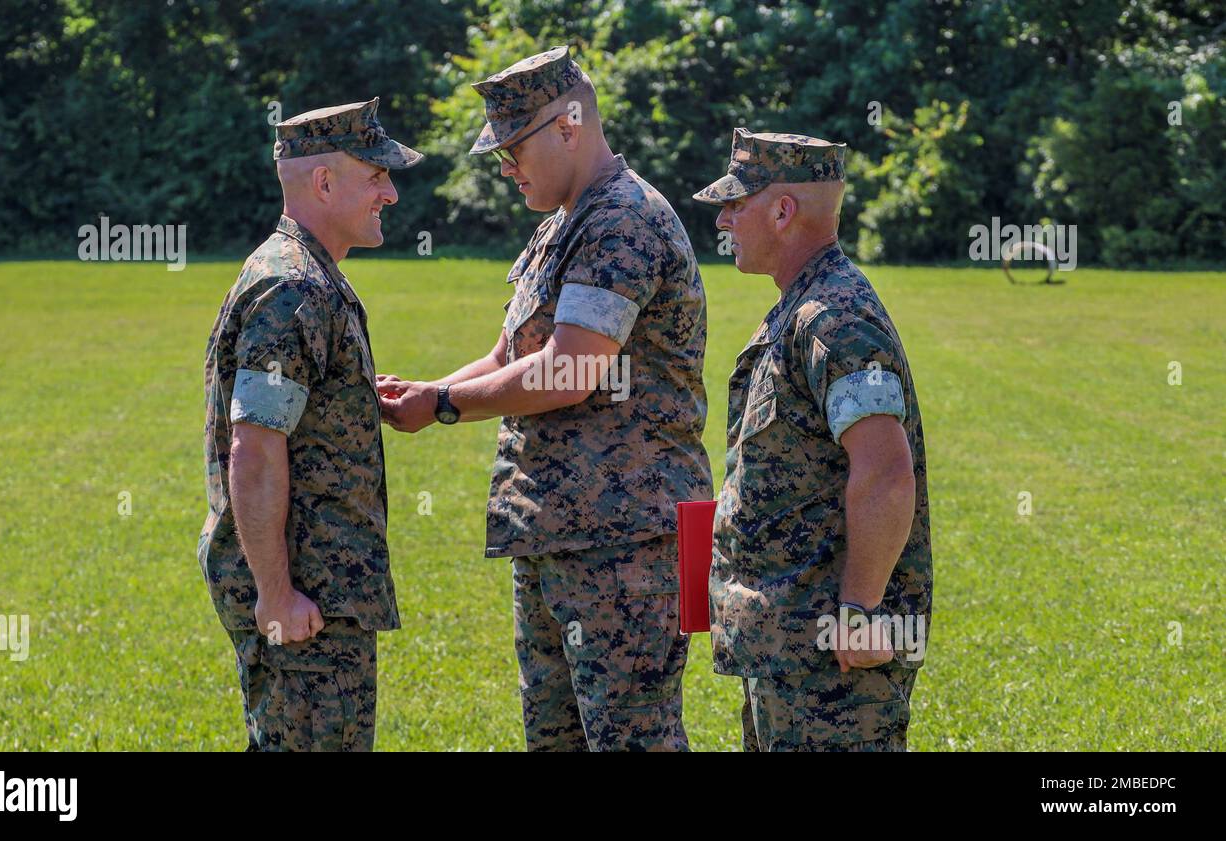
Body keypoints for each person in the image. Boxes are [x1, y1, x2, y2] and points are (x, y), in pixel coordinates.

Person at [380, 47, 711, 751]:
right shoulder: (562, 224)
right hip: (559, 532)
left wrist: (442, 405)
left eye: (513, 148)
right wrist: (429, 391)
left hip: (626, 541)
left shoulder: (622, 220)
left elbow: (569, 369)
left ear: (568, 126)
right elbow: (510, 357)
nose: (505, 166)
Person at [693, 128, 933, 751]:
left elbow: (886, 471)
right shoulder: (802, 306)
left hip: (829, 654)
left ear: (782, 210)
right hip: (790, 643)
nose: (723, 220)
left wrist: (860, 610)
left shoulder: (835, 318)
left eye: (735, 204)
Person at [198, 98, 422, 751]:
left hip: (319, 586)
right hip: (307, 595)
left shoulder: (305, 274)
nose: (391, 193)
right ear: (324, 182)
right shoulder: (293, 286)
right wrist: (276, 594)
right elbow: (255, 448)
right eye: (376, 175)